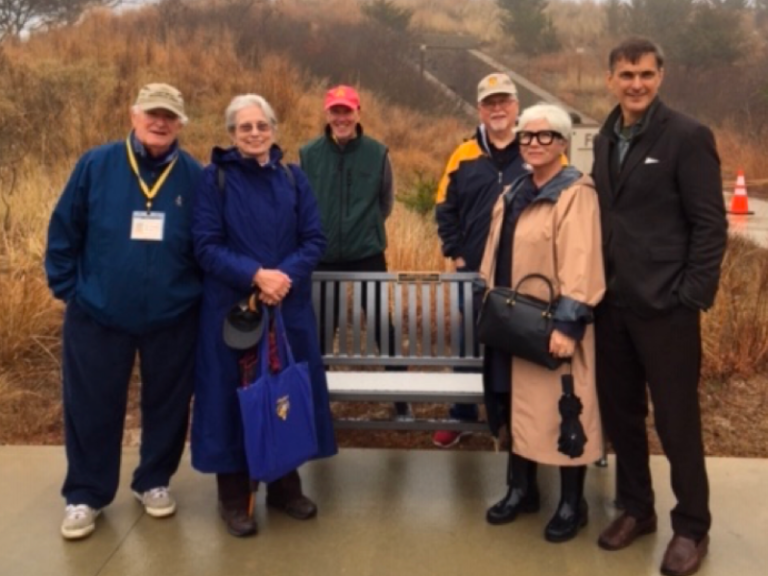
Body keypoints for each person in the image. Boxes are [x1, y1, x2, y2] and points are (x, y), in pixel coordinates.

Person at [592, 38, 727, 576]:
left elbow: (710, 225)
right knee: (623, 417)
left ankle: (692, 526)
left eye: (646, 74)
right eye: (626, 75)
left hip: (667, 308)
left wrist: (690, 295)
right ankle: (636, 509)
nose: (636, 84)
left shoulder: (688, 137)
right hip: (614, 305)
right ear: (610, 80)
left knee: (677, 423)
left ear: (661, 76)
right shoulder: (604, 139)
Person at [45, 83, 202, 540]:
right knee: (91, 406)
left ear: (180, 124)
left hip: (172, 316)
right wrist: (70, 289)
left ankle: (153, 480)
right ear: (133, 115)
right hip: (98, 314)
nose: (160, 122)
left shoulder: (194, 175)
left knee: (168, 406)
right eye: (152, 113)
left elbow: (207, 243)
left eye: (169, 116)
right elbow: (63, 230)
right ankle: (85, 494)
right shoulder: (96, 164)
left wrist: (191, 296)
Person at [191, 93, 338, 538]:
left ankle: (284, 487)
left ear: (274, 129)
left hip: (286, 308)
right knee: (233, 398)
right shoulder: (213, 179)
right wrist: (257, 276)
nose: (254, 133)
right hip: (235, 312)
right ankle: (234, 497)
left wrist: (280, 278)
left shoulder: (293, 178)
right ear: (231, 134)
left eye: (262, 125)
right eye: (244, 127)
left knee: (285, 394)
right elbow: (206, 245)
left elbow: (314, 239)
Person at [479, 103, 605, 542]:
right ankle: (521, 489)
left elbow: (582, 259)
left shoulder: (575, 192)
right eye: (526, 137)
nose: (533, 144)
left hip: (551, 324)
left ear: (563, 143)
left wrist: (568, 324)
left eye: (544, 136)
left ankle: (573, 502)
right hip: (514, 322)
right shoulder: (515, 190)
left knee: (563, 408)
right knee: (518, 405)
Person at [299, 85, 409, 418]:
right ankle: (317, 404)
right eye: (335, 111)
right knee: (319, 329)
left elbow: (385, 202)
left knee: (381, 325)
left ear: (358, 113)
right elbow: (301, 204)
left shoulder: (378, 153)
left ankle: (400, 400)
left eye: (347, 111)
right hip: (322, 253)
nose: (341, 117)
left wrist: (365, 230)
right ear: (327, 114)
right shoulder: (309, 154)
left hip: (366, 253)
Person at [433, 72, 527, 448]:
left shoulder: (536, 149)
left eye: (504, 101)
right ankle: (462, 413)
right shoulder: (463, 154)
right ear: (480, 109)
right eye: (490, 103)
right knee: (468, 343)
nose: (498, 108)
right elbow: (445, 208)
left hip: (525, 274)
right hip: (472, 271)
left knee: (521, 346)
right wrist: (456, 256)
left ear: (516, 106)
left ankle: (514, 418)